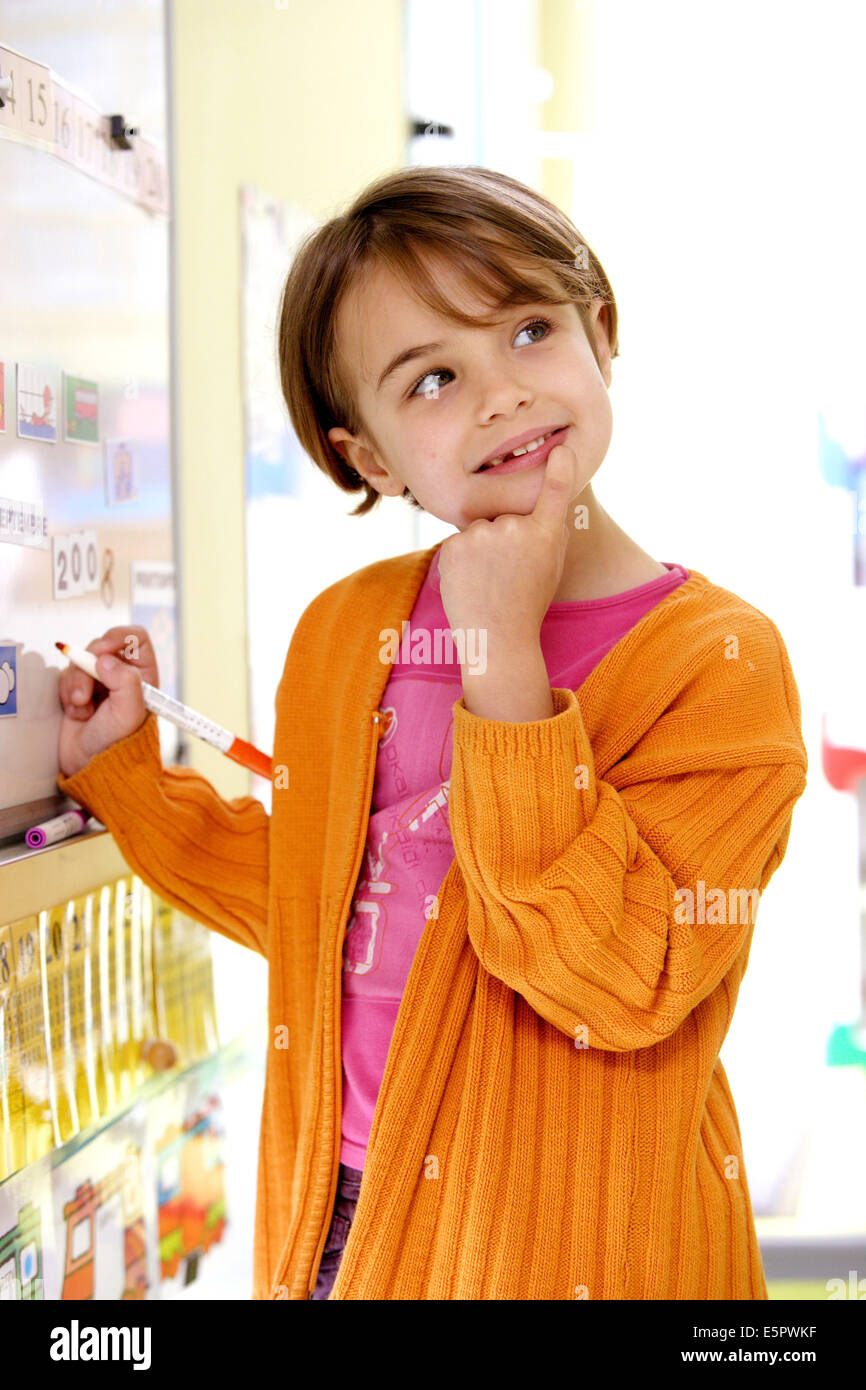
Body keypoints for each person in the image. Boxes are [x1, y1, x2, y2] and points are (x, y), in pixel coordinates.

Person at [56, 165, 808, 1300]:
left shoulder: (718, 666)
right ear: (367, 457)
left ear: (601, 335)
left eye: (529, 328)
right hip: (339, 1224)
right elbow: (326, 901)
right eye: (434, 378)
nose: (502, 393)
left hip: (577, 1249)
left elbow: (622, 982)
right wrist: (130, 778)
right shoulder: (347, 629)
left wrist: (501, 662)